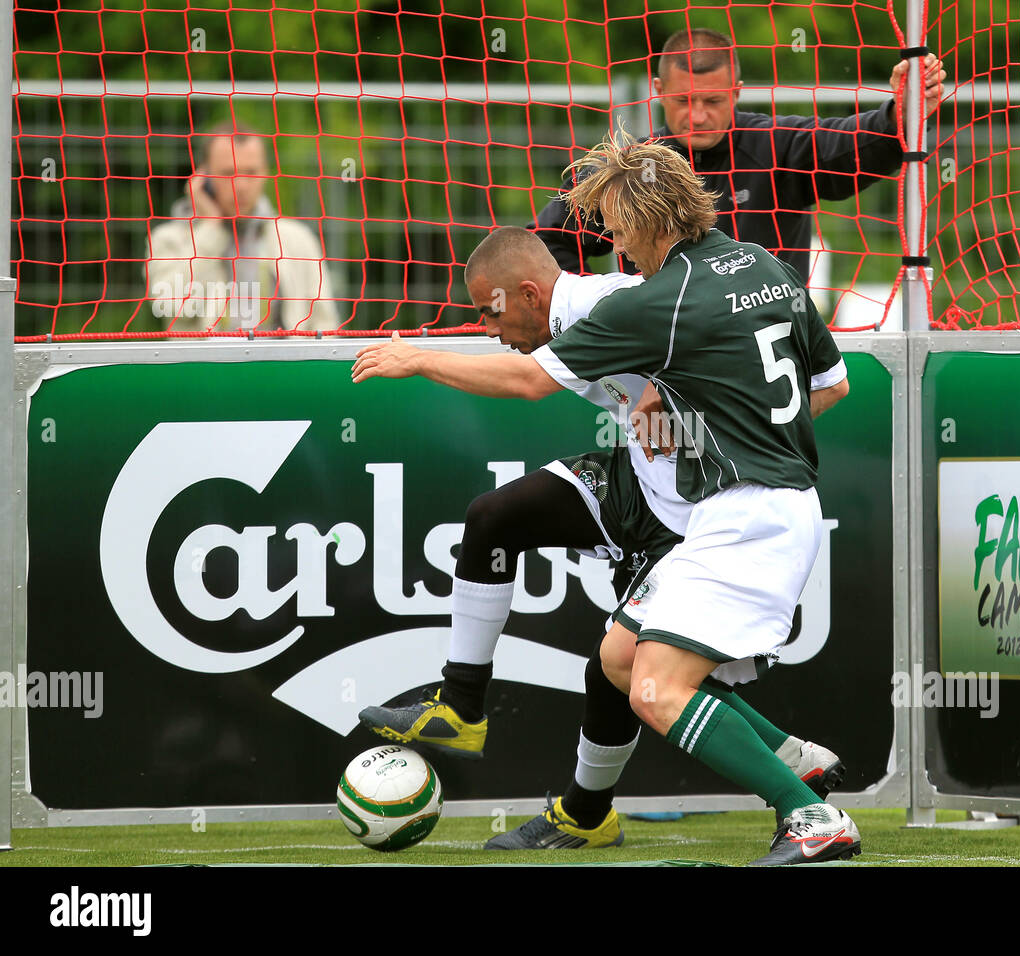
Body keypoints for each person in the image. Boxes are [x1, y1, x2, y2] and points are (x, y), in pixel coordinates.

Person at [354, 134, 857, 865]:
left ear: (649, 218)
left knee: (654, 689)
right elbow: (832, 388)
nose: (616, 246)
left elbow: (529, 384)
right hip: (757, 501)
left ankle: (809, 815)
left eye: (617, 230)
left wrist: (417, 357)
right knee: (621, 658)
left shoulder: (656, 299)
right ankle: (789, 759)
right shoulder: (765, 265)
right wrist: (728, 422)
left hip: (747, 515)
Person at [531, 27, 945, 279]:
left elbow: (852, 143)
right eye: (682, 101)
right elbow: (548, 243)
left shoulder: (778, 145)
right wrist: (597, 306)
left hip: (765, 347)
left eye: (713, 100)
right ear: (658, 92)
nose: (697, 115)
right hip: (660, 357)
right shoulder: (629, 168)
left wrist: (899, 116)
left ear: (736, 91)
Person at [144, 121, 338, 333]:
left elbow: (325, 325)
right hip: (204, 365)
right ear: (203, 177)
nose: (241, 185)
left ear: (266, 172)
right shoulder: (169, 240)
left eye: (251, 172)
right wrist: (211, 229)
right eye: (228, 173)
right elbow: (171, 305)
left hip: (284, 364)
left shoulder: (296, 239)